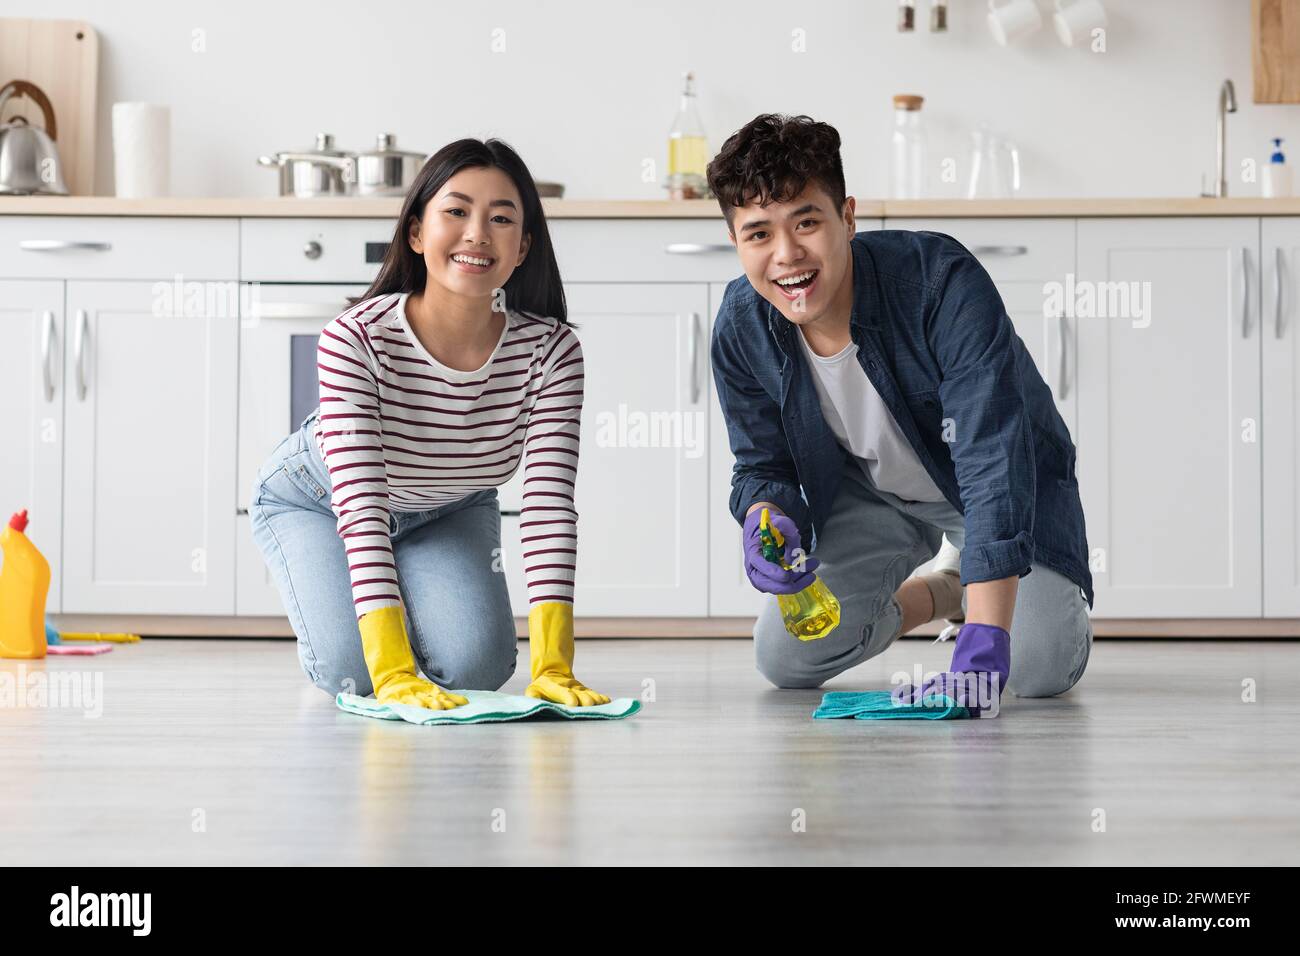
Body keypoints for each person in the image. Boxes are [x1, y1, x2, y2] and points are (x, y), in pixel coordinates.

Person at [707, 114, 1093, 716]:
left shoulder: (940, 281)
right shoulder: (740, 324)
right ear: (737, 242)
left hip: (1002, 489)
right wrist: (764, 514)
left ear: (848, 217)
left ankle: (981, 585)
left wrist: (985, 642)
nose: (786, 255)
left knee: (1038, 669)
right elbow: (761, 463)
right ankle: (946, 590)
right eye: (758, 233)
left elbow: (993, 457)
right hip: (877, 495)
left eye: (806, 222)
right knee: (785, 657)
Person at [250, 138, 609, 711]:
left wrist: (554, 664)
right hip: (321, 500)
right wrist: (392, 669)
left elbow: (546, 506)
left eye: (501, 218)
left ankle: (415, 605)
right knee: (350, 672)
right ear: (417, 234)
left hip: (451, 507)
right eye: (457, 212)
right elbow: (362, 505)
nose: (477, 234)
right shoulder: (356, 338)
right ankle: (384, 631)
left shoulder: (552, 351)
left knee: (476, 669)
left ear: (523, 248)